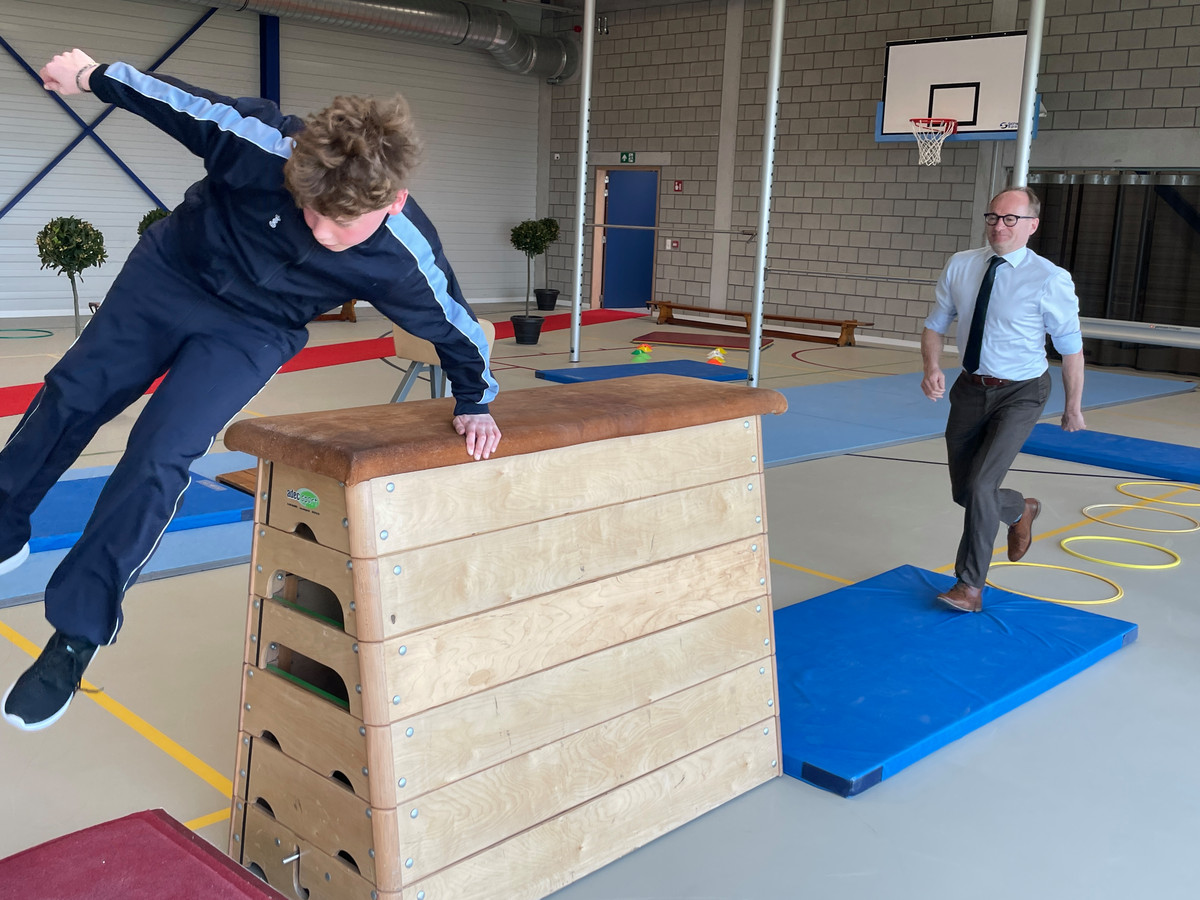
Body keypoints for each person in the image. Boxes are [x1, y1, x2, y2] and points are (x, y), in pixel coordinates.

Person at [0, 49, 503, 731]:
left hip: (253, 330)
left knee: (160, 453)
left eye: (343, 226)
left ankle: (76, 634)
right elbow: (172, 100)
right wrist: (90, 75)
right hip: (171, 274)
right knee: (74, 393)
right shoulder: (263, 143)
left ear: (394, 200)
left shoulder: (404, 254)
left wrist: (476, 400)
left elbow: (456, 325)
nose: (323, 234)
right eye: (312, 212)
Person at [920, 186, 1085, 613]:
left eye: (1010, 219)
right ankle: (1021, 510)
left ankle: (969, 586)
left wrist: (1072, 406)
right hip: (970, 388)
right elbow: (935, 324)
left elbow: (1070, 348)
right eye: (993, 217)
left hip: (1022, 393)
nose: (999, 226)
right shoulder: (961, 265)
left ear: (1031, 225)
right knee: (967, 492)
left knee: (980, 485)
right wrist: (931, 367)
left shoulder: (1050, 278)